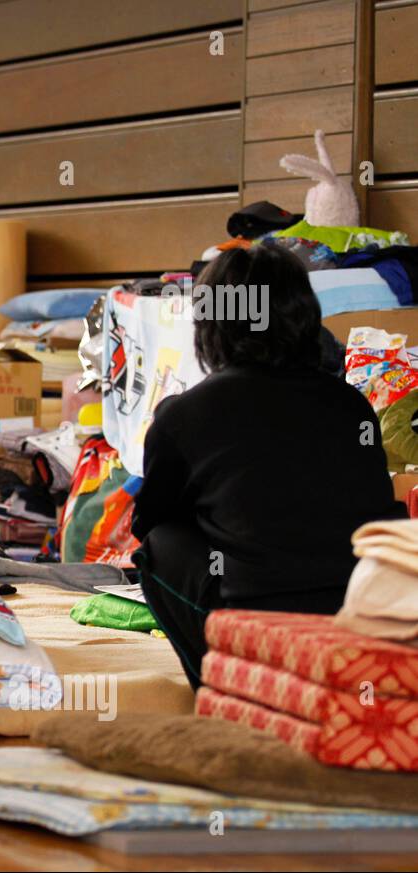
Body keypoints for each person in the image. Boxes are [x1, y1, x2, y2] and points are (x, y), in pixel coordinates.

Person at [132, 245, 406, 689]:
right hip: (365, 616)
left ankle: (219, 682)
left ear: (211, 324)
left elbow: (151, 520)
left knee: (160, 543)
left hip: (257, 623)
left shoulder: (185, 414)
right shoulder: (350, 403)